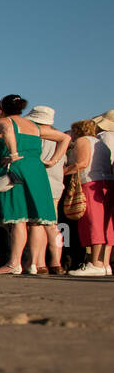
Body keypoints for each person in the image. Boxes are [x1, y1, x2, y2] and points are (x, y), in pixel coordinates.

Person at [0, 94, 70, 275]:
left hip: (17, 170)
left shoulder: (3, 121)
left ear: (2, 109)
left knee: (19, 218)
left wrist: (14, 152)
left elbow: (8, 129)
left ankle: (16, 263)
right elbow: (65, 138)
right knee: (43, 223)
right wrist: (53, 160)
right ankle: (43, 263)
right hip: (38, 174)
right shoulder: (35, 127)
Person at [64, 118, 114, 276]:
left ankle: (95, 263)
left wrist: (62, 171)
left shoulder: (82, 141)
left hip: (90, 183)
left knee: (93, 222)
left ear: (78, 130)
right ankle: (105, 263)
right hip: (107, 183)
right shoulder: (102, 144)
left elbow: (82, 163)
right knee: (106, 224)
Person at [28, 106, 66, 274]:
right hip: (56, 184)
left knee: (37, 224)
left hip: (39, 183)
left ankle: (38, 262)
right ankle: (56, 262)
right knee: (52, 225)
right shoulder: (58, 137)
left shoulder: (35, 136)